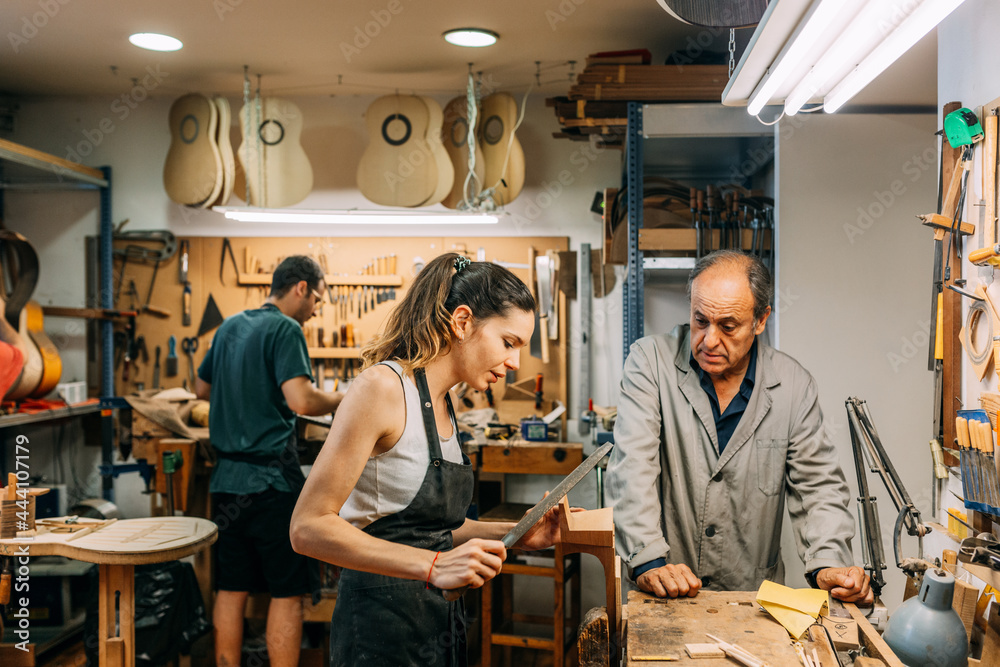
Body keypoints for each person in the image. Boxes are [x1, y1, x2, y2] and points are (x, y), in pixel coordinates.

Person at [290, 253, 567, 666]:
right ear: (461, 322)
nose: (514, 363)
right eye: (509, 343)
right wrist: (434, 565)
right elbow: (307, 528)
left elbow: (434, 530)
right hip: (379, 631)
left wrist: (516, 532)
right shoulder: (382, 388)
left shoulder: (443, 401)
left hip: (437, 625)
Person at [606, 250, 873, 604]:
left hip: (751, 599)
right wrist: (648, 561)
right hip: (663, 591)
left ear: (761, 320)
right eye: (700, 321)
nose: (710, 340)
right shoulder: (650, 363)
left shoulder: (793, 386)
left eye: (728, 326)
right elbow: (632, 468)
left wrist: (828, 561)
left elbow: (818, 487)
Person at [195, 255, 344, 667]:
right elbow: (302, 400)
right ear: (300, 288)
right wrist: (344, 399)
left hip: (226, 482)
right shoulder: (285, 328)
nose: (315, 309)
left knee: (231, 587)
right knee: (287, 591)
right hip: (270, 485)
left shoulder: (229, 326)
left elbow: (200, 388)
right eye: (317, 299)